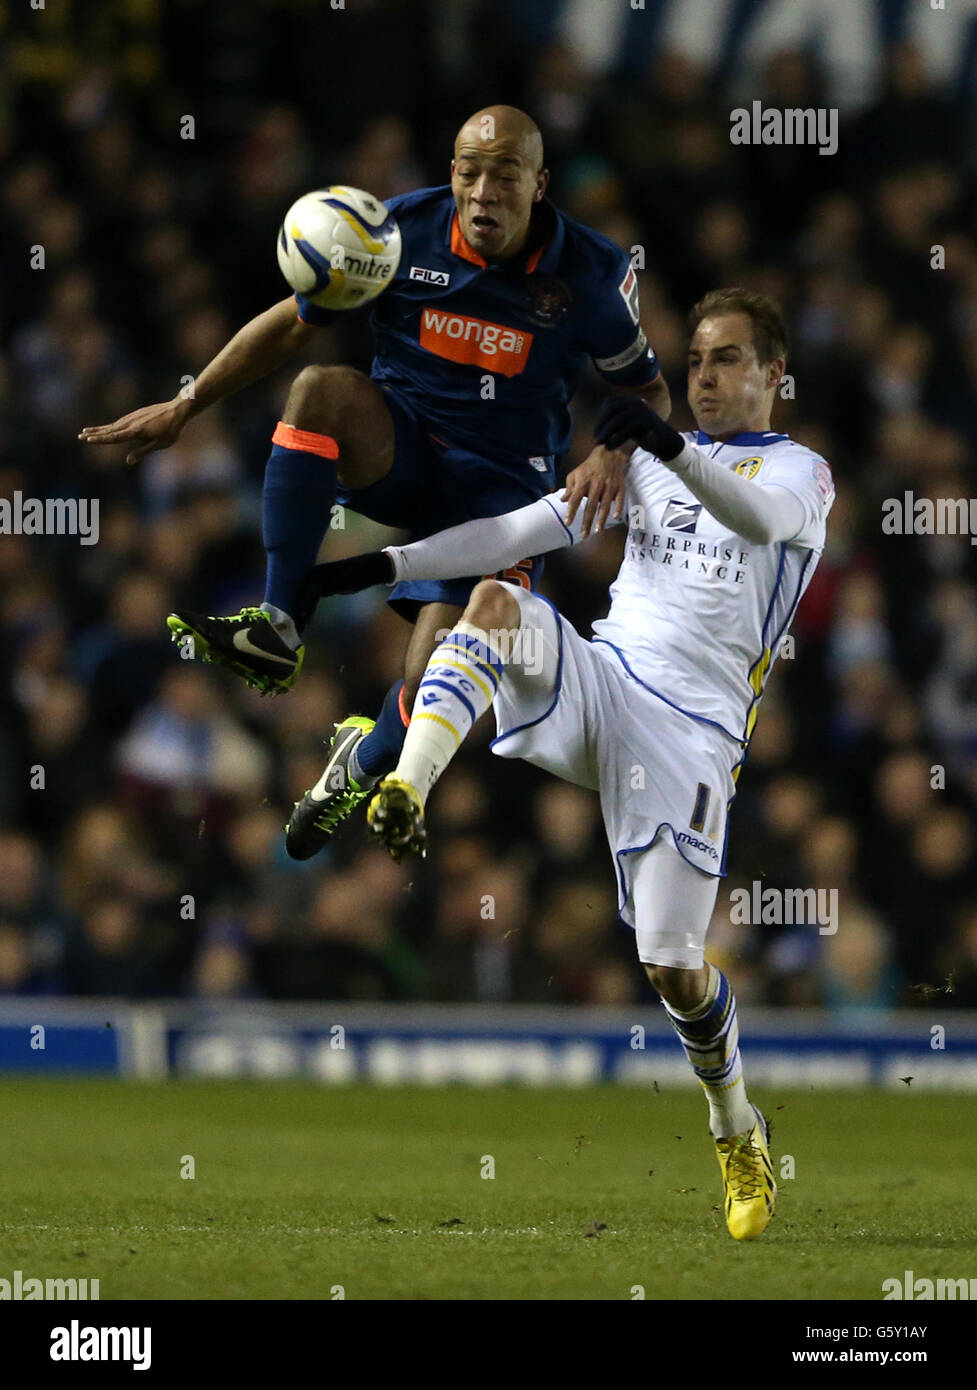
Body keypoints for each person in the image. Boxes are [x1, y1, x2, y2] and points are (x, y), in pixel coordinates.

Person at [302, 288, 836, 1240]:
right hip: (606, 676)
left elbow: (756, 522)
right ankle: (403, 786)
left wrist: (664, 446)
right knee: (497, 602)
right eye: (696, 360)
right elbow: (515, 532)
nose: (704, 377)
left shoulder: (802, 474)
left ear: (773, 374)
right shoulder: (640, 464)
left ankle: (735, 1125)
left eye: (726, 360)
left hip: (694, 737)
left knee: (671, 967)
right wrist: (384, 566)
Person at [79, 105, 669, 856]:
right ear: (451, 171)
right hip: (402, 449)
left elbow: (648, 392)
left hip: (502, 496)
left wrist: (612, 451)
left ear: (539, 184)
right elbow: (295, 324)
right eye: (468, 169)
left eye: (504, 173)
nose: (482, 189)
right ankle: (279, 623)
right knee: (320, 389)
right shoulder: (395, 234)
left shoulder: (589, 274)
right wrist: (189, 404)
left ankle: (355, 764)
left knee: (431, 686)